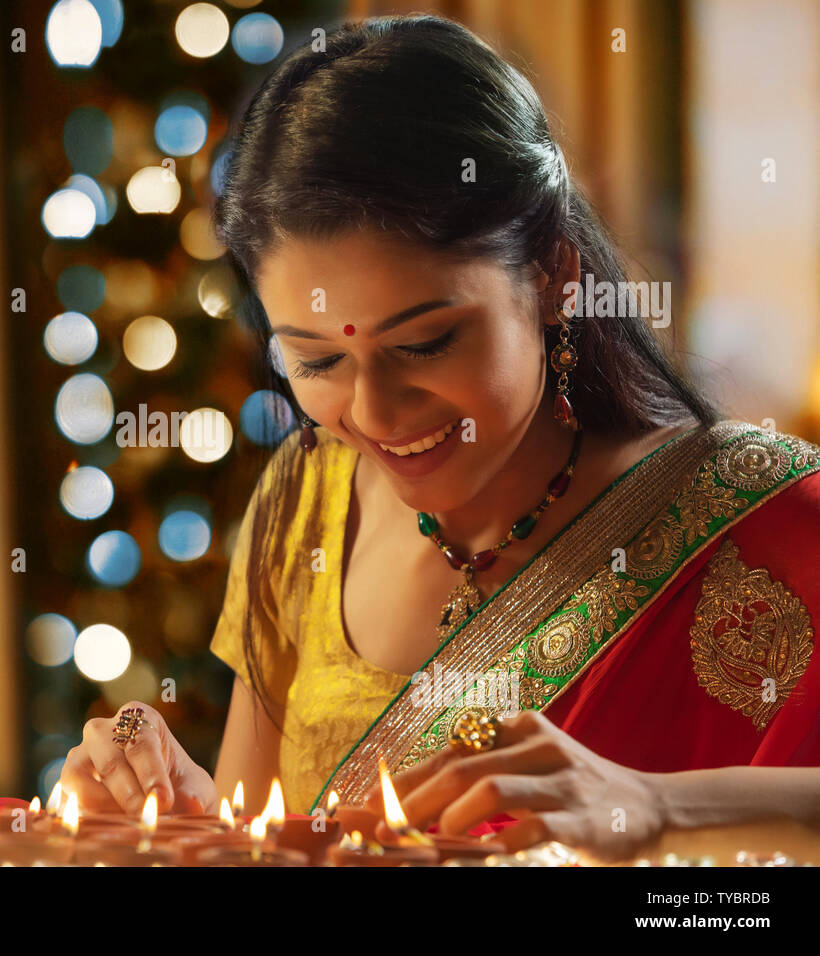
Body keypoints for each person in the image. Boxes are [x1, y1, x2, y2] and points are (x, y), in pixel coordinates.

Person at [58, 14, 820, 862]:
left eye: (425, 343)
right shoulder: (307, 504)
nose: (376, 414)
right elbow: (260, 841)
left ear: (553, 277)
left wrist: (661, 808)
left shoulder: (767, 519)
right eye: (316, 361)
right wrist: (178, 816)